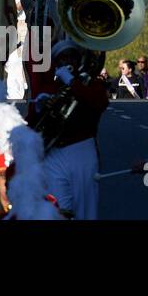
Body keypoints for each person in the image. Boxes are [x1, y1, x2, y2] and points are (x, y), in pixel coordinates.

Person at [38, 40, 107, 220]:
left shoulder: (89, 83)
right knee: (57, 210)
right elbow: (35, 125)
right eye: (62, 58)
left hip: (81, 151)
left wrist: (73, 83)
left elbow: (99, 102)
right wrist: (39, 108)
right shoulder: (50, 87)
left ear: (78, 61)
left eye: (71, 57)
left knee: (85, 211)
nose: (67, 61)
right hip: (53, 154)